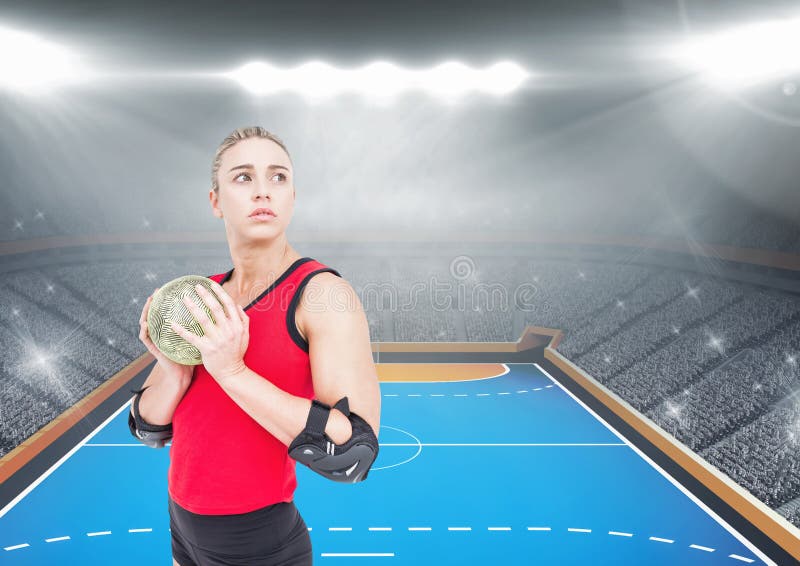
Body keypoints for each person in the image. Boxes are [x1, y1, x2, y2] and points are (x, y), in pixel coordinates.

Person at [130, 126, 381, 565]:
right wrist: (172, 371)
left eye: (278, 177)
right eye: (243, 177)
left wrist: (232, 372)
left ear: (292, 197)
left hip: (258, 543)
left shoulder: (321, 294)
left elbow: (353, 453)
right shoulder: (200, 296)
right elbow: (147, 428)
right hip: (182, 528)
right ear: (215, 201)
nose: (263, 191)